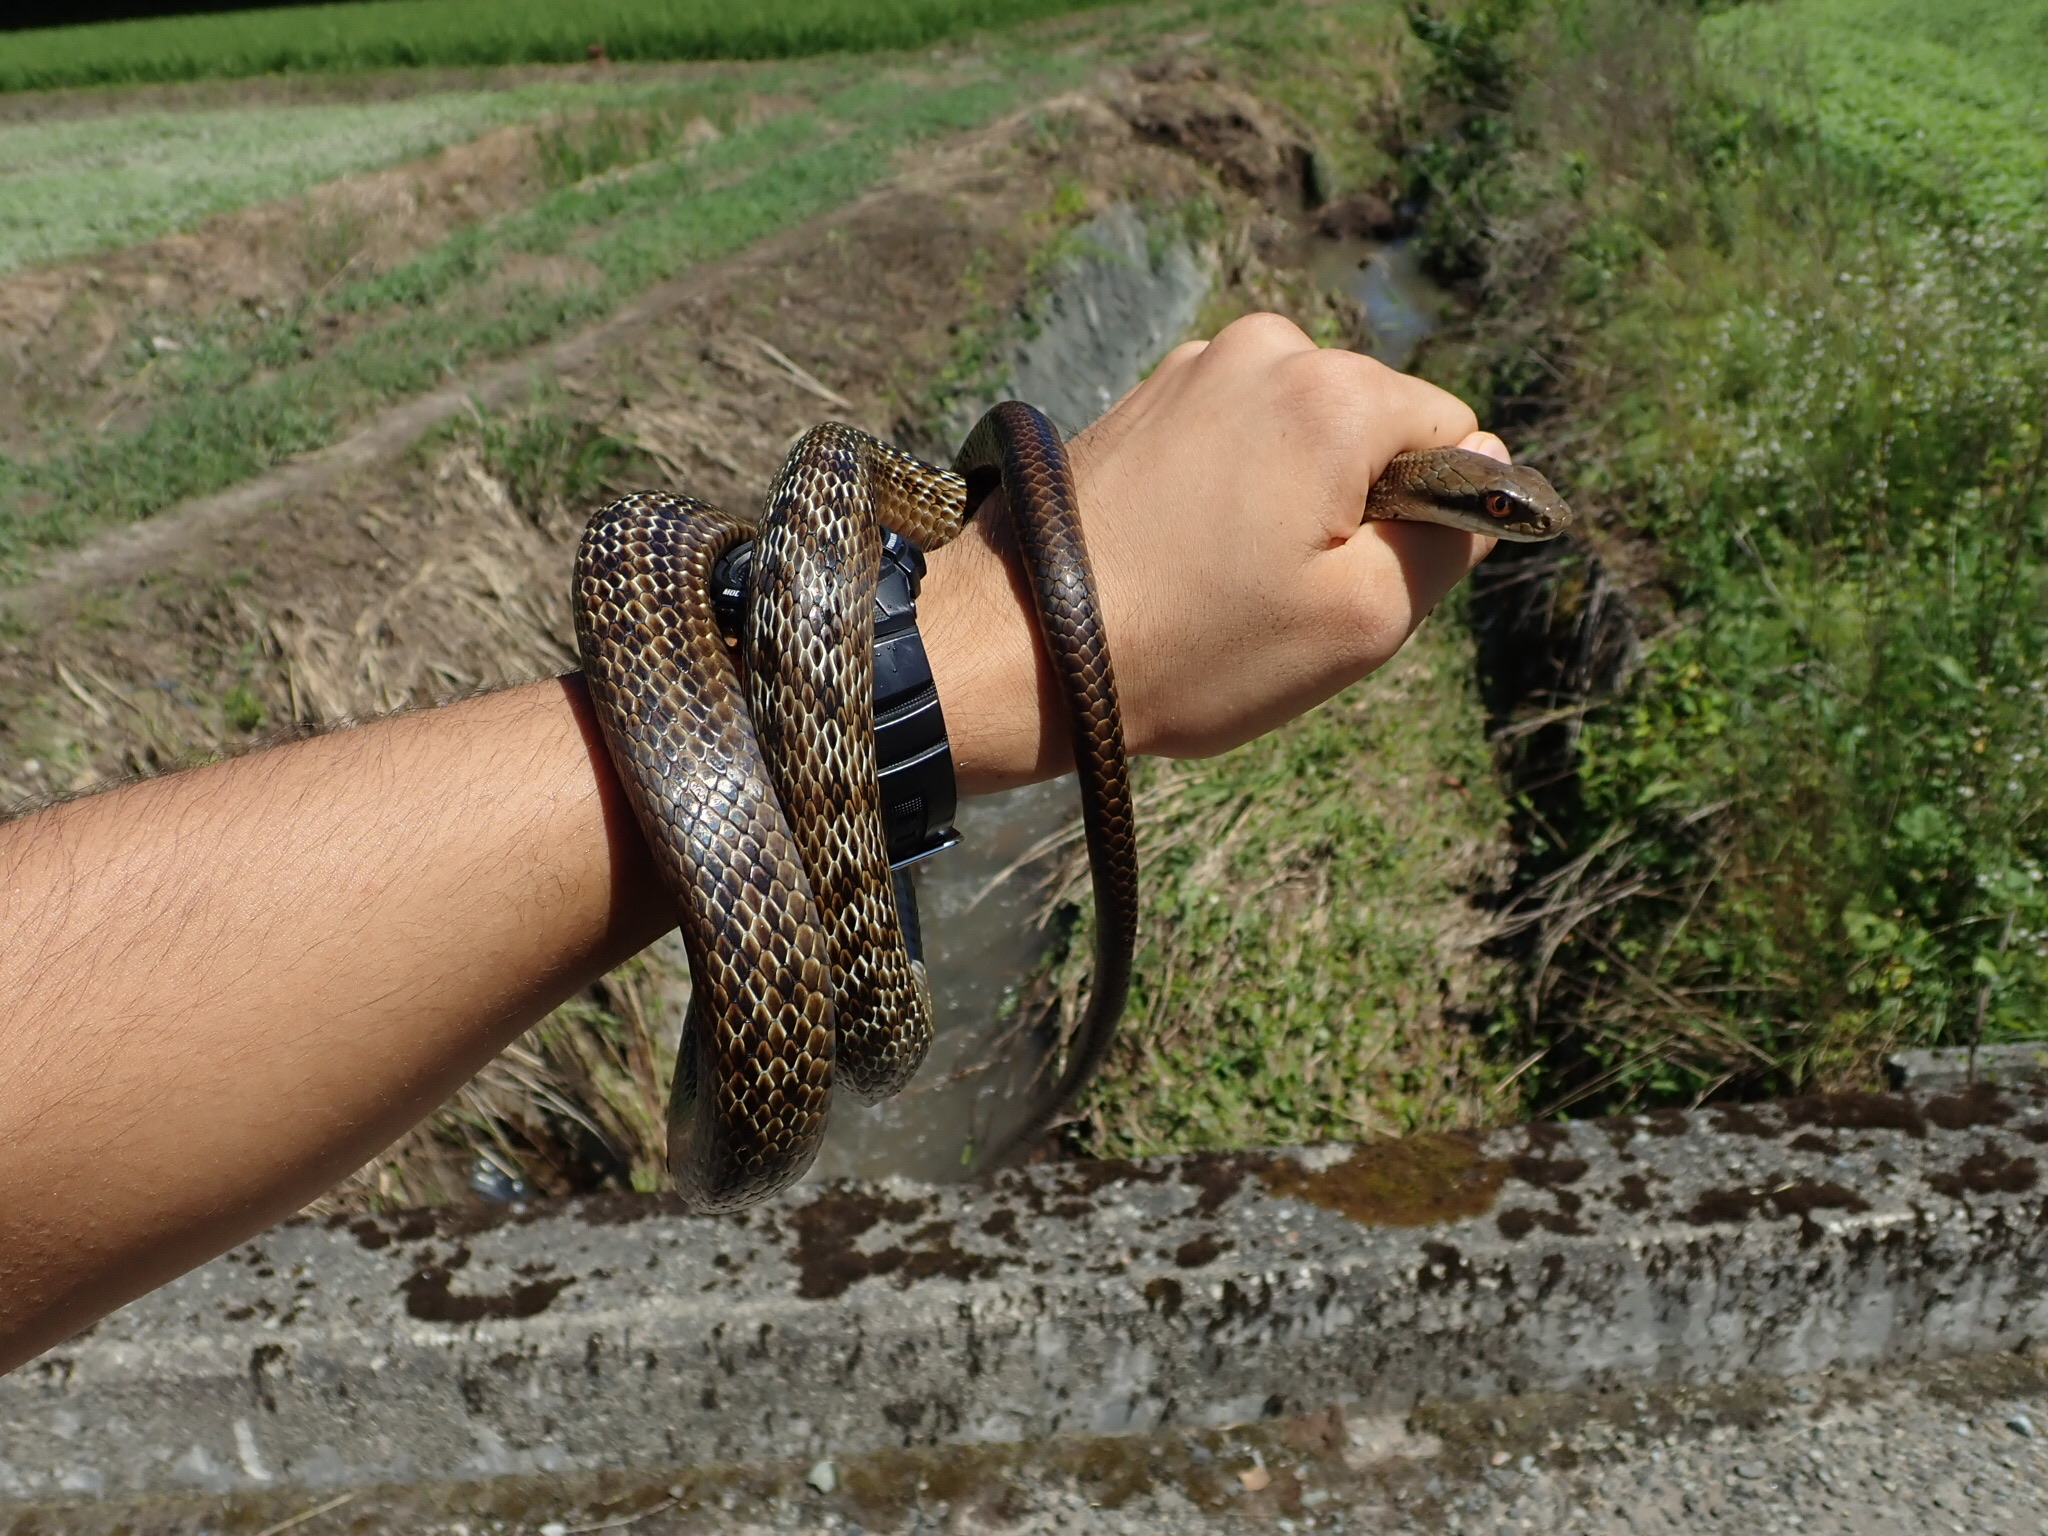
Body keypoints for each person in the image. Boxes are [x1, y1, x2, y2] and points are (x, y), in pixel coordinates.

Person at [0, 315, 1509, 1373]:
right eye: (1491, 511)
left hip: (747, 591)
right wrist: (952, 659)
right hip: (773, 585)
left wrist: (917, 656)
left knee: (857, 1027)